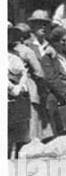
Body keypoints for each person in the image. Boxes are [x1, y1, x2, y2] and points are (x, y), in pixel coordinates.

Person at [40, 24, 66, 132]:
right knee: (59, 130)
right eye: (63, 40)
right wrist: (65, 95)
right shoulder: (48, 58)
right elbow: (51, 79)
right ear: (54, 41)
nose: (65, 43)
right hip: (57, 98)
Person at [9, 25, 34, 158]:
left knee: (18, 134)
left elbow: (23, 73)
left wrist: (19, 86)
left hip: (16, 98)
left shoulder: (16, 56)